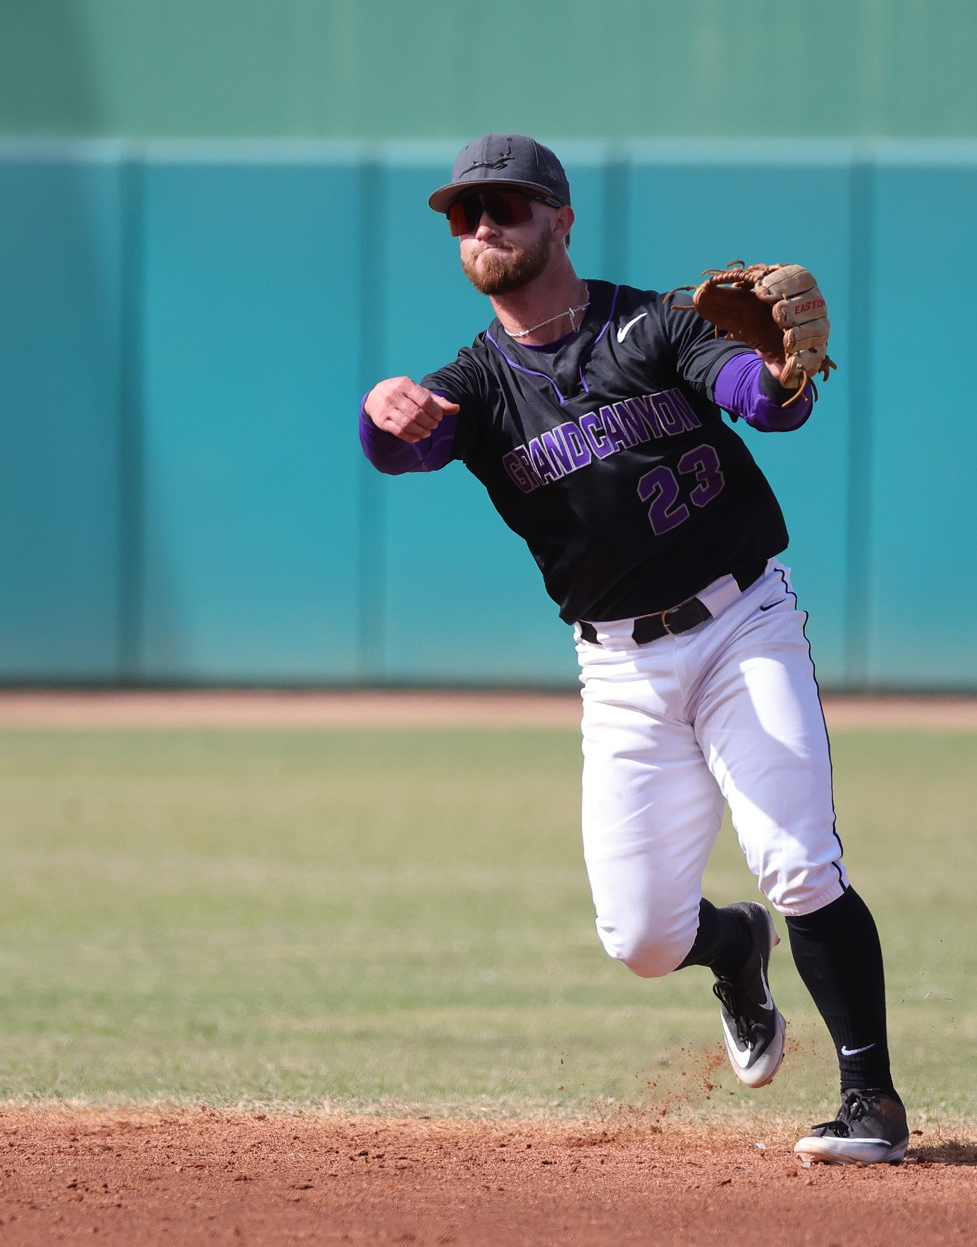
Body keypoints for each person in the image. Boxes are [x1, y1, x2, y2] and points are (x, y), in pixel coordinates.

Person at [358, 134, 908, 1165]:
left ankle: (869, 1099)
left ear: (560, 220)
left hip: (741, 624)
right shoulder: (475, 385)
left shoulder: (652, 324)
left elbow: (756, 391)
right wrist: (382, 412)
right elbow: (406, 442)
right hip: (617, 668)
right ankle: (733, 950)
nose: (483, 225)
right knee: (641, 938)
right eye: (463, 214)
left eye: (506, 207)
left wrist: (778, 380)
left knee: (797, 861)